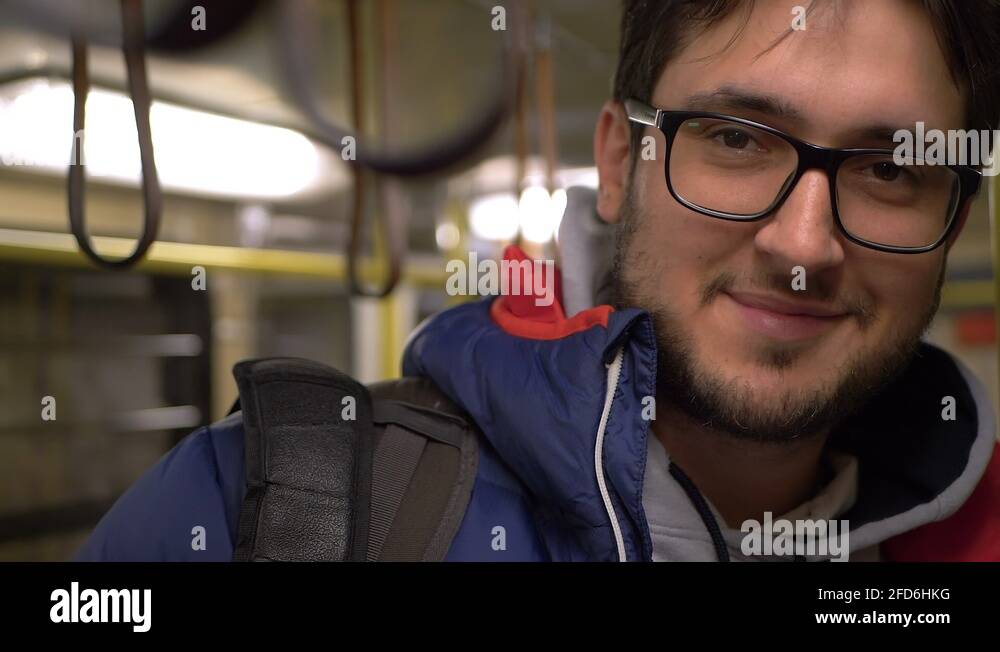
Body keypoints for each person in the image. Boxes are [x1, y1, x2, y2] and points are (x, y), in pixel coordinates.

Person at [77, 0, 1000, 562]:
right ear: (616, 160)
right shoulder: (265, 510)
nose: (804, 245)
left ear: (954, 216)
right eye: (735, 139)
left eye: (888, 169)